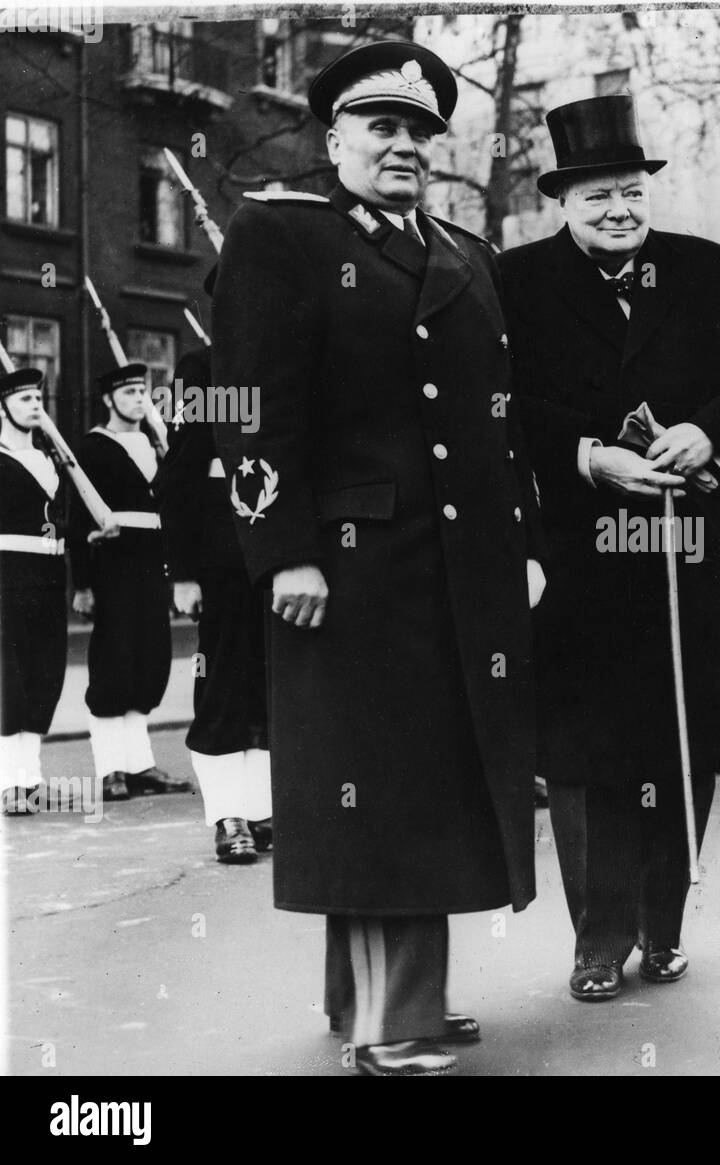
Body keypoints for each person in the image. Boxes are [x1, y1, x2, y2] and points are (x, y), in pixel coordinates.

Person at [210, 38, 546, 1076]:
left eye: (419, 131)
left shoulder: (461, 251)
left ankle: (395, 998)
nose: (403, 145)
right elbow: (248, 410)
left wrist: (523, 540)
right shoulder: (281, 235)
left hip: (458, 570)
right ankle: (386, 1021)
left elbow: (500, 420)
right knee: (372, 790)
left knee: (433, 785)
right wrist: (284, 555)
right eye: (382, 127)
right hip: (349, 570)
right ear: (336, 138)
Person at [497, 94, 720, 1001]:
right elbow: (498, 404)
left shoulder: (709, 271)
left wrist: (710, 434)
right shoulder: (517, 283)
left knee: (680, 741)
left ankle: (663, 930)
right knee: (588, 755)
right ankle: (598, 939)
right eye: (597, 198)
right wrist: (588, 456)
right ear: (562, 203)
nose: (619, 211)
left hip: (692, 551)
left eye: (630, 192)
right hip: (583, 556)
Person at [156, 343, 272, 862]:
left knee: (274, 681)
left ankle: (264, 808)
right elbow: (179, 473)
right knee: (224, 680)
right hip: (223, 553)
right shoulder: (205, 367)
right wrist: (183, 572)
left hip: (284, 550)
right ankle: (229, 814)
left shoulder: (288, 357)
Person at [70, 364, 184, 802]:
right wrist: (82, 585)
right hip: (113, 566)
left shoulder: (160, 444)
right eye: (129, 391)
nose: (139, 398)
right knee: (113, 664)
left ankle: (140, 765)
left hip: (154, 565)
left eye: (143, 391)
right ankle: (110, 768)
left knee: (149, 660)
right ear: (108, 399)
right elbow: (78, 515)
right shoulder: (92, 448)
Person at [0, 368, 68, 816]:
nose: (36, 405)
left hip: (49, 574)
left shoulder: (53, 459)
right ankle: (11, 782)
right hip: (7, 573)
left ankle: (32, 777)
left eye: (39, 398)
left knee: (45, 673)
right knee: (11, 678)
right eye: (25, 399)